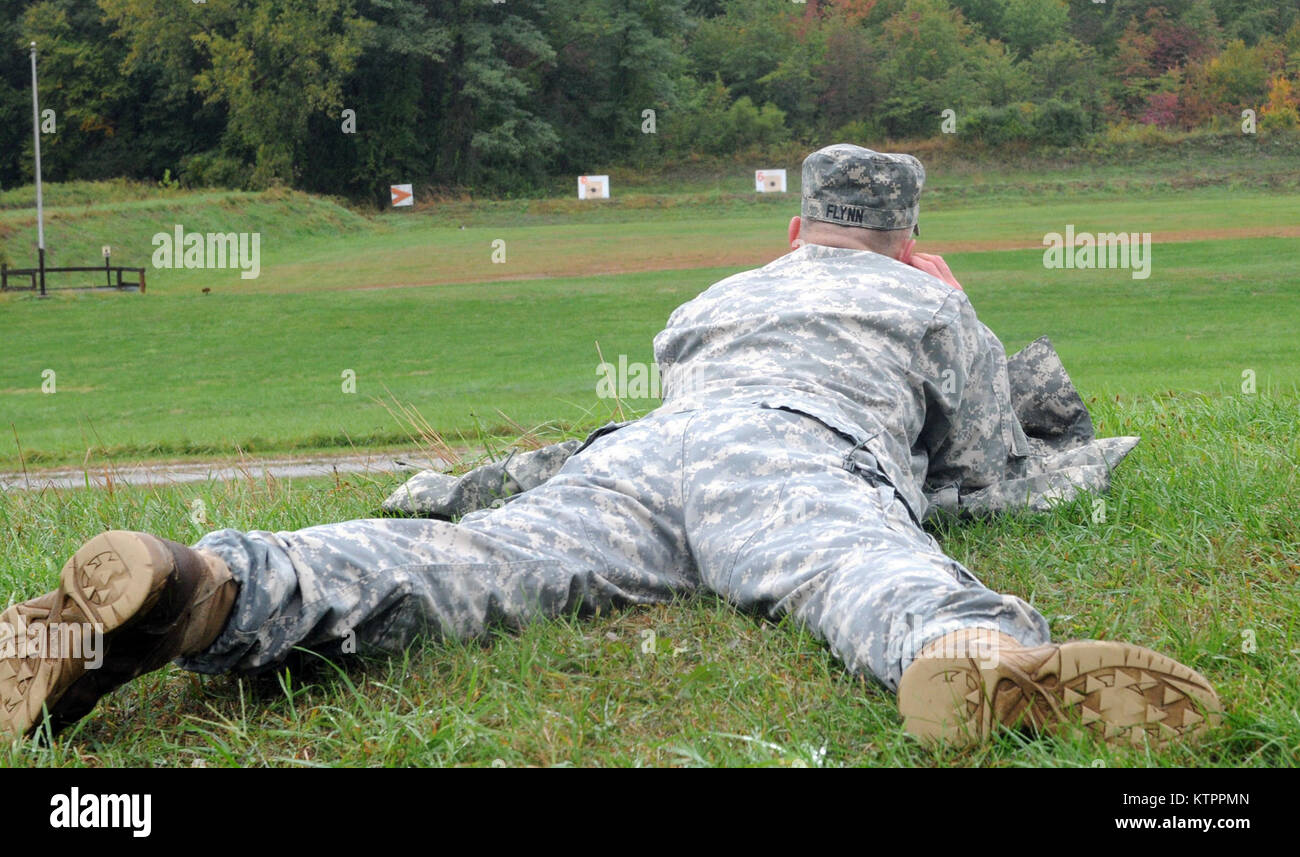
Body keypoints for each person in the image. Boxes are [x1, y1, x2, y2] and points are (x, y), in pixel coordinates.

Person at [0, 145, 1221, 749]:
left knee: (471, 560)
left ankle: (211, 583)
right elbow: (989, 471)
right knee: (852, 561)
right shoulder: (928, 299)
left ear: (795, 226)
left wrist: (468, 474)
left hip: (638, 456)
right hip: (792, 455)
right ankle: (967, 650)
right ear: (906, 239)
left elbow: (637, 424)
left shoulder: (712, 300)